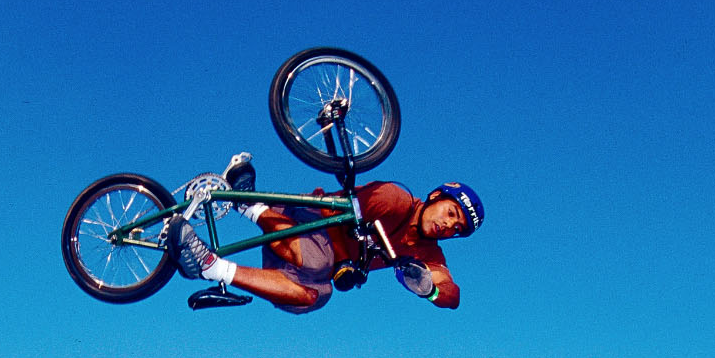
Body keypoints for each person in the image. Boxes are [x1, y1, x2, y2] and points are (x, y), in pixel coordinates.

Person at [165, 153, 484, 312]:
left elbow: (452, 294)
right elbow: (339, 212)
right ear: (435, 197)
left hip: (305, 260)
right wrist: (346, 263)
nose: (448, 225)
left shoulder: (426, 253)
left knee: (316, 296)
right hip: (310, 219)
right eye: (451, 213)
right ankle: (251, 205)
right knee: (321, 263)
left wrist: (429, 289)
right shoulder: (395, 200)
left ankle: (211, 264)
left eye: (457, 229)